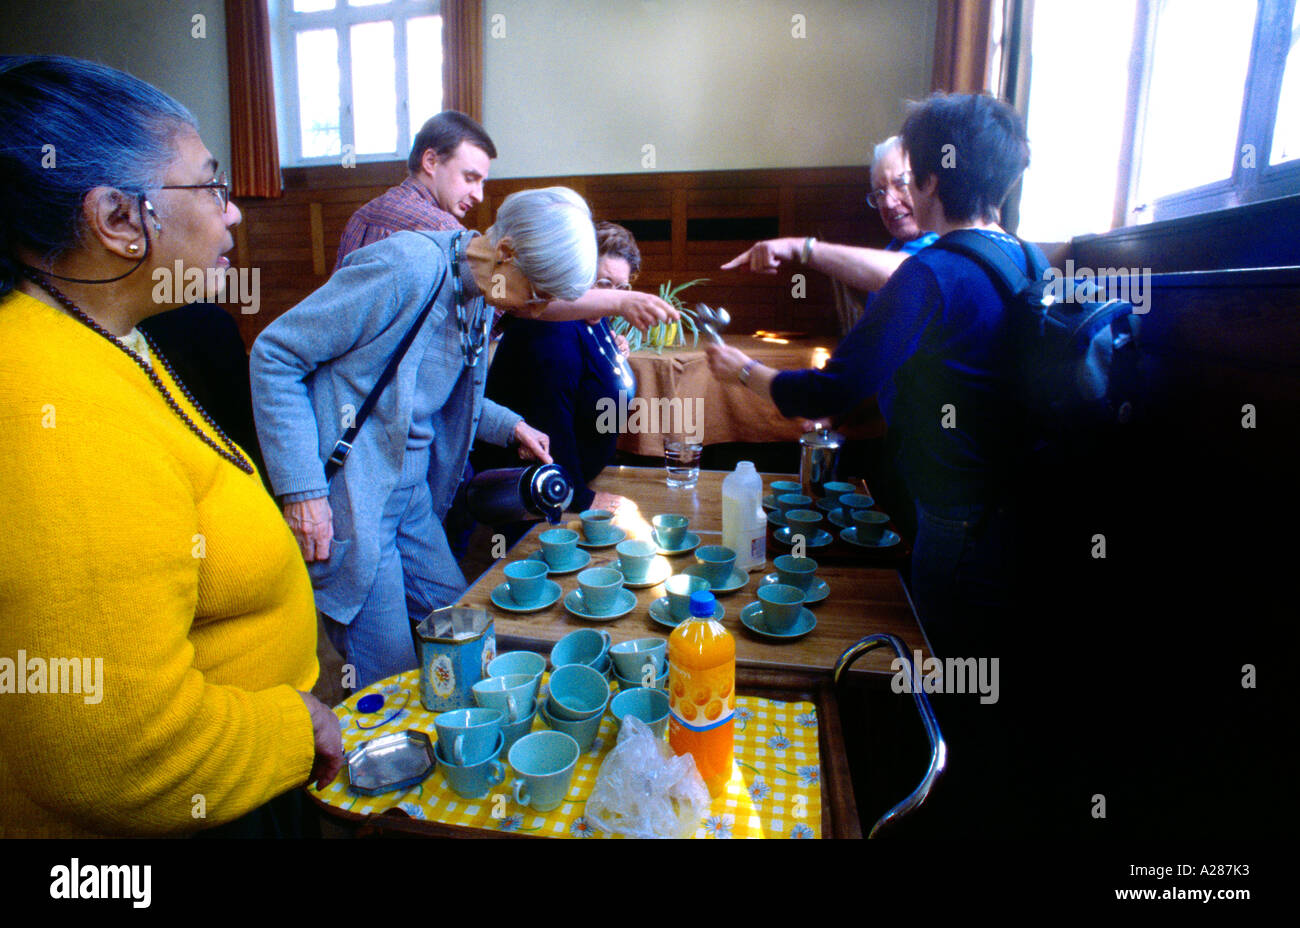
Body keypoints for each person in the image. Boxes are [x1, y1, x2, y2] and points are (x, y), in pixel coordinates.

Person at [0, 55, 342, 837]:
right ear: (120, 220)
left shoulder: (108, 334)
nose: (233, 214)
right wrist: (294, 731)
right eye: (209, 186)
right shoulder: (50, 398)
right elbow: (113, 748)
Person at [706, 93, 1037, 661]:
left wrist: (744, 371)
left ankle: (934, 743)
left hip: (953, 513)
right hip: (1013, 507)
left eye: (911, 177)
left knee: (939, 656)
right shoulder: (1027, 259)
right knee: (976, 658)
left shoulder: (928, 274)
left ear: (929, 181)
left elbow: (828, 390)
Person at [251, 187, 599, 691]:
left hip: (412, 497)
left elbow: (432, 394)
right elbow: (275, 355)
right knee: (387, 674)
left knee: (468, 630)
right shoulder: (408, 267)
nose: (539, 310)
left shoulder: (479, 294)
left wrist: (511, 425)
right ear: (506, 254)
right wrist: (302, 491)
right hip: (356, 499)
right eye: (539, 292)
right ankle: (383, 758)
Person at [478, 221, 642, 521]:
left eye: (621, 289)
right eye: (604, 284)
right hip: (543, 497)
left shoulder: (593, 318)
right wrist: (582, 498)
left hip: (582, 478)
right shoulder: (551, 328)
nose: (612, 300)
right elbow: (550, 422)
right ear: (576, 273)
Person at [721, 135, 938, 298]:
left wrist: (800, 247)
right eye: (879, 193)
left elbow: (908, 273)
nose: (889, 202)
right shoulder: (895, 247)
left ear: (928, 184)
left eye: (901, 184)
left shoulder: (946, 242)